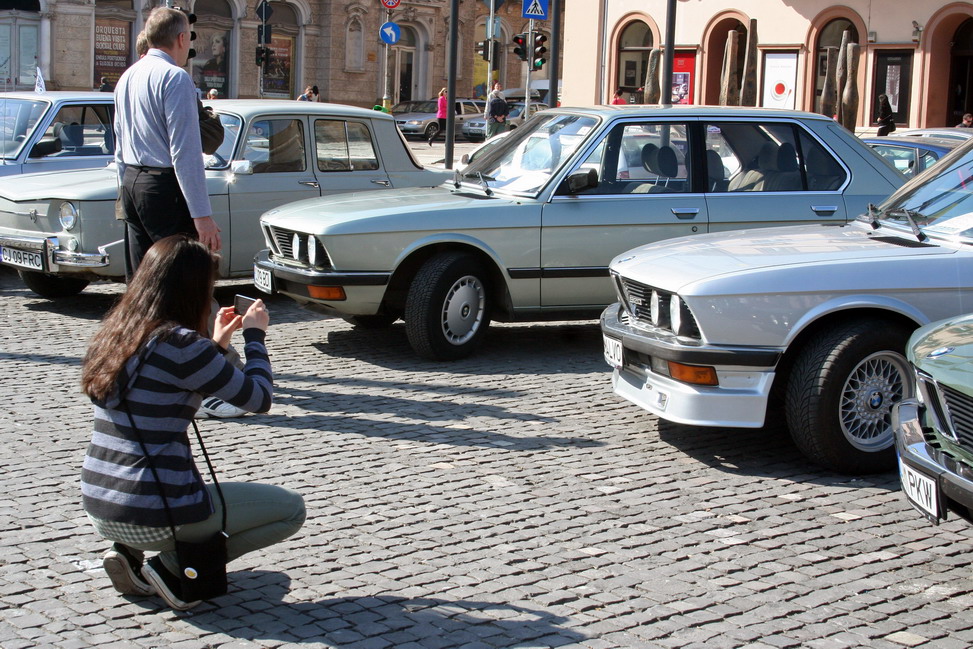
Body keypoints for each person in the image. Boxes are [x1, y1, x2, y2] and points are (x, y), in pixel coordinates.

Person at [80, 234, 306, 612]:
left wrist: (216, 344)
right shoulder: (184, 344)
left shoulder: (114, 333)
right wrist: (254, 336)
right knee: (290, 509)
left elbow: (169, 382)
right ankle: (168, 569)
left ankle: (128, 555)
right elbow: (258, 399)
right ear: (194, 288)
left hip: (101, 503)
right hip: (156, 512)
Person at [114, 7, 220, 277]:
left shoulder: (128, 76)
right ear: (182, 38)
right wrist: (202, 215)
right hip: (164, 188)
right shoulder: (175, 77)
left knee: (141, 281)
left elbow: (119, 143)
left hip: (132, 182)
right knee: (178, 280)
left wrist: (124, 189)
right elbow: (184, 152)